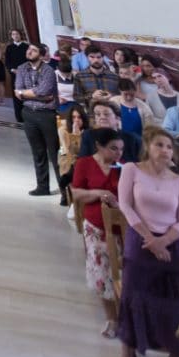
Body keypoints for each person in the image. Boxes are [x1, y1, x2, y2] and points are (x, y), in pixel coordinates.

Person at [114, 127, 179, 357]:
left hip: (172, 245)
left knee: (178, 304)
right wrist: (151, 240)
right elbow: (125, 206)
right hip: (141, 240)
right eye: (159, 145)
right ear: (148, 147)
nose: (165, 150)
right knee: (134, 298)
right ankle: (129, 351)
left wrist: (164, 241)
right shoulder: (131, 170)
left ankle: (176, 353)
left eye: (168, 146)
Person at [71, 128, 126, 338]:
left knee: (123, 272)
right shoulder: (85, 164)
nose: (118, 153)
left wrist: (116, 202)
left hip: (122, 228)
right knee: (103, 273)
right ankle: (112, 318)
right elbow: (76, 192)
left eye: (121, 149)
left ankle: (127, 316)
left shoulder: (122, 168)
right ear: (99, 146)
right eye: (113, 149)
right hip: (96, 226)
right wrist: (98, 193)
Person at [12, 42, 63, 197]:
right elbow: (17, 90)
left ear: (41, 55)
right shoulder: (22, 68)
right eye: (29, 49)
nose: (29, 52)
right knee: (38, 152)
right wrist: (38, 95)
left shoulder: (48, 70)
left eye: (33, 50)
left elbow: (46, 90)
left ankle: (64, 190)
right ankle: (42, 186)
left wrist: (24, 93)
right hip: (29, 113)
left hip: (46, 114)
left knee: (54, 153)